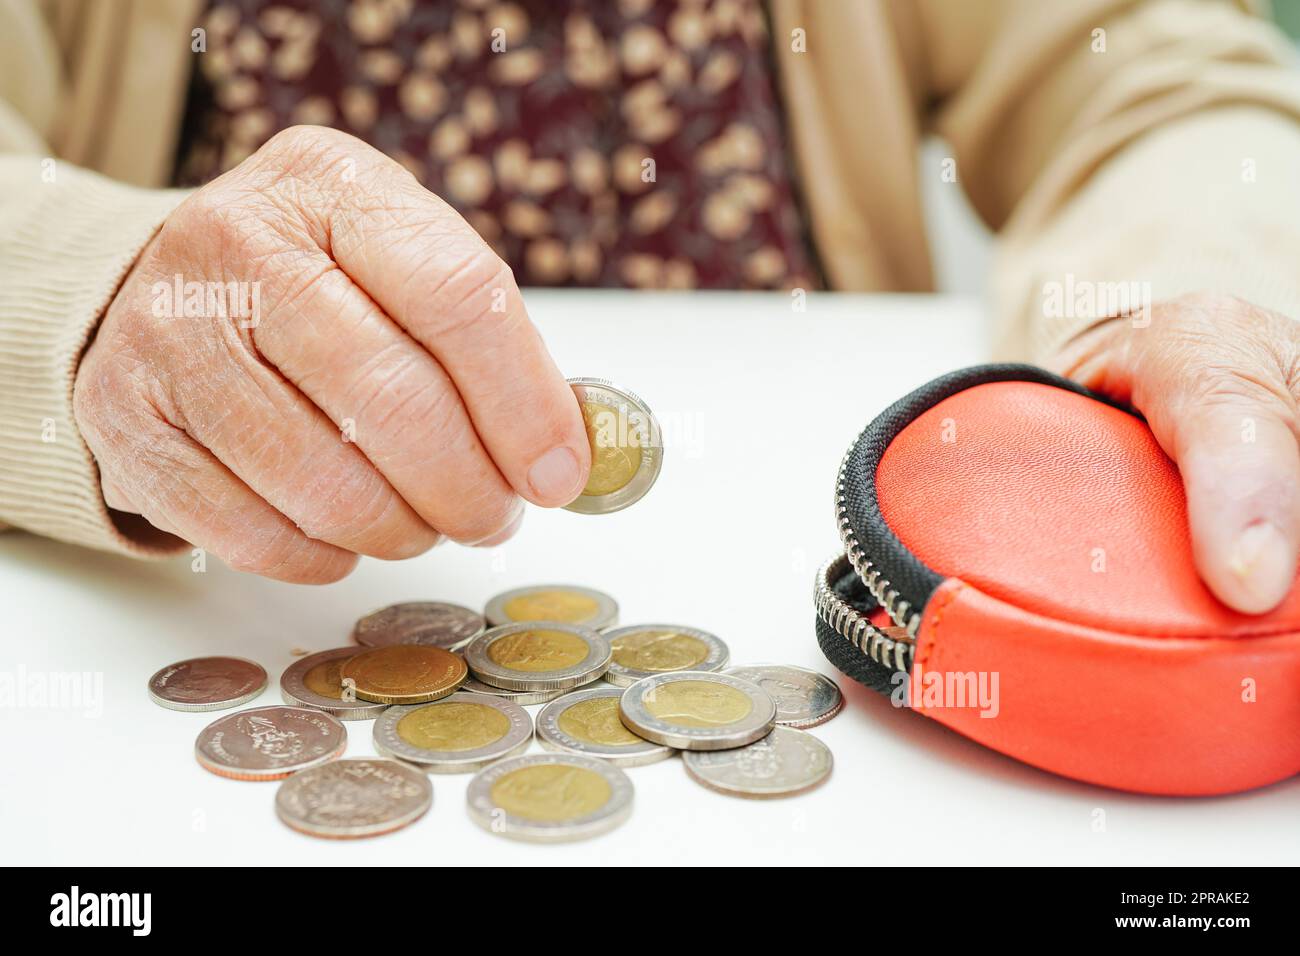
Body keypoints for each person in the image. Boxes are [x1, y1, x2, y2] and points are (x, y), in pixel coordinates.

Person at [2, 0, 1299, 616]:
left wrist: (1185, 303)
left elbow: (1159, 84)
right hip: (214, 590)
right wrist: (99, 295)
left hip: (812, 575)